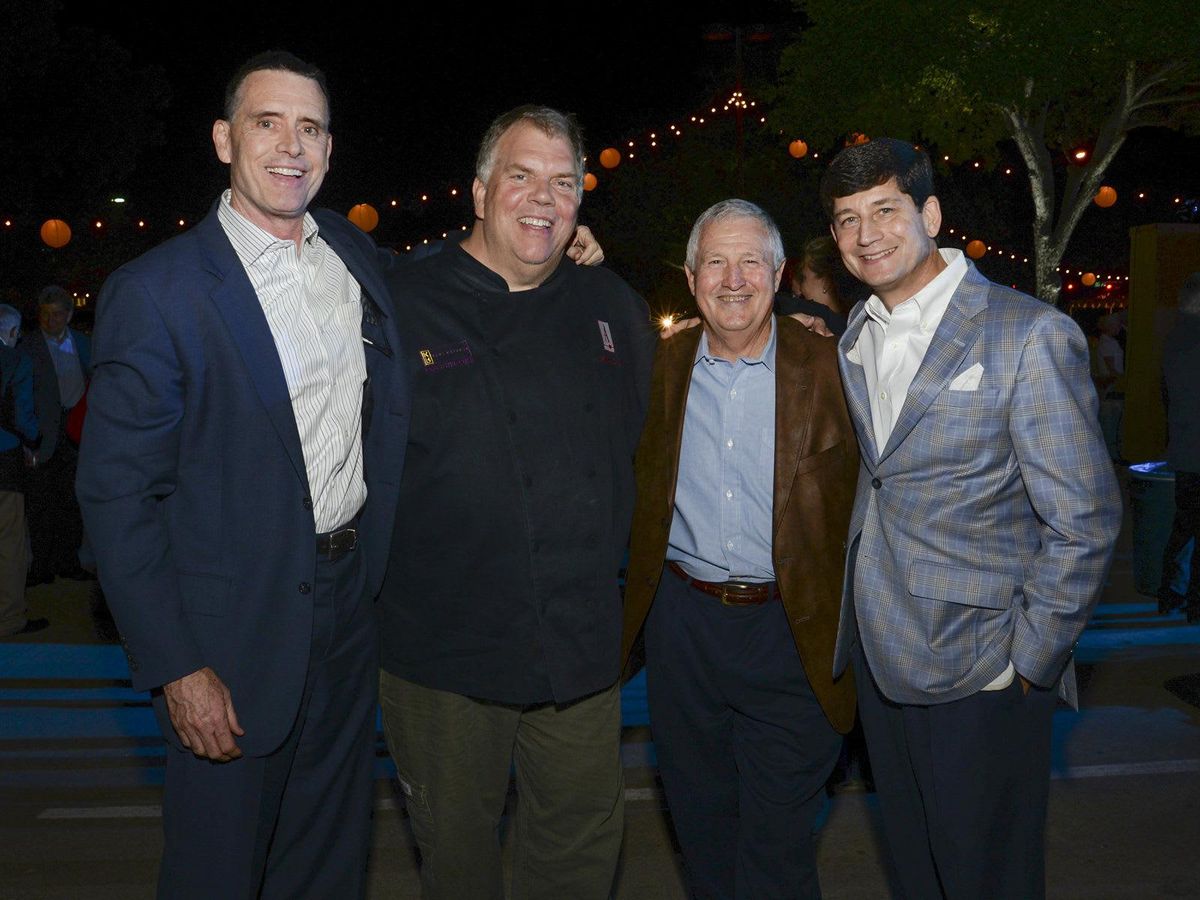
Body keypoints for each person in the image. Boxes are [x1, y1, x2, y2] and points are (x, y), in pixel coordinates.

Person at [75, 51, 411, 899]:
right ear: (225, 139)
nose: (290, 145)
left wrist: (560, 251)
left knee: (328, 863)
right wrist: (177, 665)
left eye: (310, 127)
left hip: (346, 614)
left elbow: (448, 289)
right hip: (227, 639)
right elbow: (117, 497)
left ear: (330, 150)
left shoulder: (355, 257)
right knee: (217, 871)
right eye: (268, 123)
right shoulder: (159, 293)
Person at [823, 138, 1122, 900]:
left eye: (885, 210)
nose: (867, 235)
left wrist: (1028, 661)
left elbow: (1084, 517)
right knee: (920, 872)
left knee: (988, 878)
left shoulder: (1026, 333)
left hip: (984, 670)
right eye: (847, 220)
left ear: (929, 214)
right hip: (882, 656)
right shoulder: (855, 335)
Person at [375, 105, 654, 900]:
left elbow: (639, 452)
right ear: (479, 190)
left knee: (578, 858)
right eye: (522, 176)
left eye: (563, 183)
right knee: (458, 863)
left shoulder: (613, 307)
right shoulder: (400, 302)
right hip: (444, 655)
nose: (543, 197)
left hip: (581, 652)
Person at [621, 199, 858, 898]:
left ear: (779, 274)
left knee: (776, 846)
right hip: (684, 631)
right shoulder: (654, 368)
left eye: (750, 261)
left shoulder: (838, 366)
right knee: (703, 831)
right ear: (691, 278)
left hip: (795, 631)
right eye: (716, 262)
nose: (733, 279)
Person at [24, 284, 91, 584]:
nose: (52, 321)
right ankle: (41, 566)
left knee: (73, 499)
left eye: (58, 315)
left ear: (69, 314)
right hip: (42, 432)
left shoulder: (83, 342)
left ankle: (68, 561)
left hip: (77, 430)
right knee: (40, 502)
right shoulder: (27, 346)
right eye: (46, 315)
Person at [1158, 272, 1200, 622]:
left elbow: (1168, 396)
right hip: (1194, 447)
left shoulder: (1174, 338)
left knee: (1184, 525)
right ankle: (1194, 602)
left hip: (1184, 447)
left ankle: (1170, 593)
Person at [0, 304, 42, 636]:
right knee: (9, 542)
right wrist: (34, 440)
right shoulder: (16, 362)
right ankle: (9, 617)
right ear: (13, 333)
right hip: (4, 462)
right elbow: (22, 416)